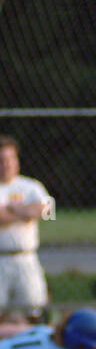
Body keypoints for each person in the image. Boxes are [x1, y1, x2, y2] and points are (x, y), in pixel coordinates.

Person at [0, 136, 52, 321]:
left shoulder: (30, 186)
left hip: (26, 257)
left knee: (34, 308)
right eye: (1, 160)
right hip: (1, 259)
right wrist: (27, 212)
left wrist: (12, 208)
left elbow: (47, 210)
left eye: (10, 159)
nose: (6, 165)